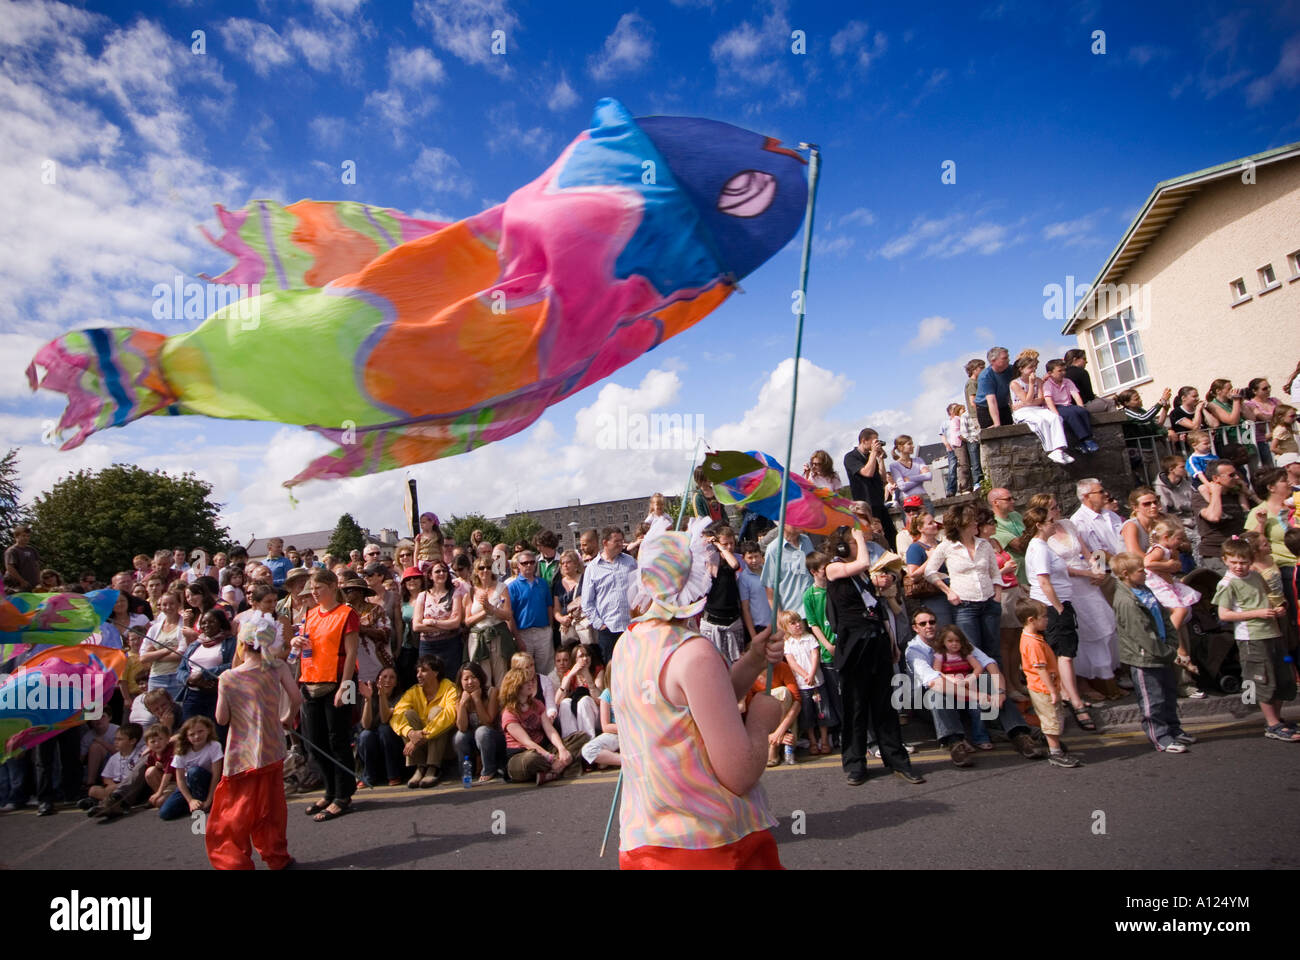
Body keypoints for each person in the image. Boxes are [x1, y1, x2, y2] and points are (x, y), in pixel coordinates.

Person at [610, 515, 787, 868]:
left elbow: (696, 707)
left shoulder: (627, 645)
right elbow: (739, 773)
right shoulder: (693, 653)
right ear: (696, 578)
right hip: (709, 845)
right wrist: (761, 723)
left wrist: (752, 660)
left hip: (644, 842)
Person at [826, 525, 924, 786]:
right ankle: (856, 763)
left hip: (876, 642)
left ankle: (897, 759)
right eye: (854, 543)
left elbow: (878, 612)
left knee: (884, 705)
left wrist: (892, 642)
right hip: (854, 647)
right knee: (855, 708)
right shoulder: (833, 568)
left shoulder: (864, 576)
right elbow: (862, 563)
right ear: (843, 547)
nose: (860, 546)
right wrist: (859, 536)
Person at [206, 615, 301, 869]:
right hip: (272, 749)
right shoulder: (277, 668)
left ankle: (234, 862)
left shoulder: (228, 677)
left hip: (241, 754)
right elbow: (296, 697)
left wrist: (222, 690)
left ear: (242, 643)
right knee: (271, 809)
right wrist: (287, 717)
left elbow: (222, 718)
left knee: (236, 812)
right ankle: (277, 857)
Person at [1027, 493, 1120, 703]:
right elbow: (1055, 569)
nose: (1057, 511)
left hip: (1087, 581)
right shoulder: (1042, 541)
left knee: (1105, 623)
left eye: (1057, 506)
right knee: (1081, 634)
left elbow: (1085, 551)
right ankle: (1085, 683)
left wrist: (1095, 567)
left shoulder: (1067, 524)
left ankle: (1108, 675)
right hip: (1069, 586)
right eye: (1052, 509)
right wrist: (1086, 574)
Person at [1213, 538, 1297, 741]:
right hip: (1251, 637)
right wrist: (1257, 613)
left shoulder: (1256, 576)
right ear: (1225, 560)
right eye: (1234, 562)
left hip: (1273, 633)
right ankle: (1272, 724)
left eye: (1243, 562)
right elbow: (1224, 615)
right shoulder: (1227, 584)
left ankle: (1277, 719)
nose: (1239, 567)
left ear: (1251, 561)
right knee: (1262, 679)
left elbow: (1269, 598)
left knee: (1282, 677)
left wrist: (1280, 608)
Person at [293, 569, 360, 822]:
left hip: (341, 682)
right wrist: (296, 644)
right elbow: (307, 645)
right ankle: (330, 790)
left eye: (318, 587)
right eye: (312, 588)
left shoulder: (347, 613)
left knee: (339, 739)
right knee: (315, 741)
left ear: (332, 586)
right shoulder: (309, 614)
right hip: (311, 681)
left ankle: (344, 794)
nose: (313, 592)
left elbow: (351, 653)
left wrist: (345, 686)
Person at [1023, 506, 1096, 732]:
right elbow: (1043, 581)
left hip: (1057, 603)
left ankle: (1067, 694)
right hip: (1053, 605)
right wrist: (1058, 607)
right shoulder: (1039, 548)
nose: (1055, 524)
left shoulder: (1043, 546)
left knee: (1061, 653)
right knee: (1064, 654)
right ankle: (1074, 701)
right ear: (1039, 525)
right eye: (1050, 521)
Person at [923, 504, 1002, 659]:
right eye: (971, 520)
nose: (975, 523)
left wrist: (997, 596)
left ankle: (997, 684)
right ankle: (980, 684)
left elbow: (995, 573)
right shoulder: (947, 546)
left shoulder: (984, 544)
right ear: (960, 524)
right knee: (973, 652)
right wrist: (948, 591)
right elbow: (929, 572)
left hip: (990, 602)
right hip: (965, 606)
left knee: (993, 651)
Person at [1016, 598, 1083, 767]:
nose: (1047, 620)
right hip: (1043, 687)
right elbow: (1040, 669)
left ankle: (1053, 744)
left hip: (1044, 686)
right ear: (1031, 619)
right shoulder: (1032, 643)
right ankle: (1055, 753)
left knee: (1052, 717)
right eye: (1044, 617)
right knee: (1051, 719)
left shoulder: (1033, 637)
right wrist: (1053, 690)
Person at [500, 666, 587, 784]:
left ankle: (552, 772)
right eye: (526, 682)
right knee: (531, 759)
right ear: (516, 686)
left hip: (544, 748)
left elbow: (549, 730)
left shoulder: (537, 704)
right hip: (521, 754)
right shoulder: (508, 713)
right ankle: (561, 768)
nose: (531, 684)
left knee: (582, 737)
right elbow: (527, 743)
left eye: (531, 681)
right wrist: (551, 759)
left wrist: (561, 749)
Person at [1143, 519, 1203, 686]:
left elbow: (1175, 563)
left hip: (1168, 584)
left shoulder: (1169, 549)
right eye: (1179, 539)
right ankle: (1168, 634)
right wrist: (1167, 564)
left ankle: (1182, 653)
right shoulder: (1158, 549)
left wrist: (1174, 558)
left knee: (1184, 611)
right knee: (1180, 610)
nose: (1181, 543)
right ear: (1166, 537)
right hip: (1158, 585)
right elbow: (1147, 563)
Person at [390, 655, 459, 787]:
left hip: (445, 746)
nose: (419, 675)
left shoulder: (449, 688)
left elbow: (449, 716)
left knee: (437, 712)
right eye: (417, 671)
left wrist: (421, 736)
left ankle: (433, 767)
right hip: (420, 744)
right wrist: (410, 733)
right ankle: (420, 767)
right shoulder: (413, 691)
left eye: (424, 670)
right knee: (407, 714)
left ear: (436, 672)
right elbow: (396, 715)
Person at [928, 625, 991, 750]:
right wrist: (950, 679)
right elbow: (936, 671)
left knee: (977, 711)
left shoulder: (965, 654)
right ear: (943, 642)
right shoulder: (941, 655)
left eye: (957, 641)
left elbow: (978, 667)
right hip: (951, 692)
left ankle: (981, 738)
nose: (954, 644)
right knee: (953, 714)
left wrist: (971, 678)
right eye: (950, 641)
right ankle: (961, 740)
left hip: (969, 690)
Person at [580, 527, 637, 662]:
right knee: (612, 672)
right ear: (605, 543)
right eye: (616, 541)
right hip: (609, 629)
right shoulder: (593, 568)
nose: (620, 544)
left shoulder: (630, 562)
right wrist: (599, 624)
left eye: (621, 541)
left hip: (631, 627)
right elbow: (587, 602)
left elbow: (640, 589)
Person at [803, 552, 842, 743]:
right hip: (828, 651)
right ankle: (840, 728)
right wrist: (826, 644)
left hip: (844, 645)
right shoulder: (809, 595)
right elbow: (813, 624)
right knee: (836, 692)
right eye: (822, 569)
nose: (827, 572)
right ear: (813, 572)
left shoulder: (837, 587)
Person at [1009, 352, 1075, 464]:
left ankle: (1059, 450)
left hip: (1037, 408)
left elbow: (1041, 399)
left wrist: (1026, 402)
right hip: (1022, 412)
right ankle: (1050, 449)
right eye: (1030, 367)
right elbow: (1028, 400)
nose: (1033, 370)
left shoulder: (1039, 381)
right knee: (1040, 421)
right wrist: (1030, 385)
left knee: (1055, 418)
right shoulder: (1015, 383)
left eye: (1034, 367)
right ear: (1021, 369)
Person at [780, 610, 830, 755]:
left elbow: (815, 655)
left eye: (799, 621)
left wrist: (812, 673)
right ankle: (813, 741)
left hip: (817, 682)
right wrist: (806, 676)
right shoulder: (788, 643)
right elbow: (792, 663)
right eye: (793, 623)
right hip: (802, 684)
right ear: (786, 628)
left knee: (823, 712)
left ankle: (825, 740)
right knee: (807, 715)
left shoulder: (810, 638)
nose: (797, 625)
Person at [159, 715, 223, 820]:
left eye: (200, 731)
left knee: (194, 772)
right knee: (165, 813)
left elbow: (216, 775)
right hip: (189, 785)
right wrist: (190, 800)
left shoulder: (214, 746)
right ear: (186, 737)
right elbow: (180, 779)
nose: (197, 736)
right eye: (192, 734)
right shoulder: (181, 751)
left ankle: (206, 803)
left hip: (207, 782)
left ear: (208, 730)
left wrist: (209, 799)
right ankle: (195, 804)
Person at [465, 559, 516, 688]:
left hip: (498, 635)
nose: (485, 571)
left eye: (488, 567)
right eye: (481, 568)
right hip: (478, 638)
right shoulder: (471, 591)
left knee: (501, 676)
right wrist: (485, 612)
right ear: (476, 571)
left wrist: (492, 609)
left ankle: (502, 706)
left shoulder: (501, 587)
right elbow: (467, 621)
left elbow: (508, 615)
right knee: (482, 678)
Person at [700, 524, 746, 665]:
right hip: (713, 619)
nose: (730, 547)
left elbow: (734, 565)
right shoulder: (711, 561)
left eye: (732, 543)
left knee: (736, 663)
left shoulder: (733, 559)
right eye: (726, 544)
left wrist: (722, 547)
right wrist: (712, 545)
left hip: (732, 618)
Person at [453, 661, 505, 784]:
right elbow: (462, 727)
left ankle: (489, 770)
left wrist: (477, 700)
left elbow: (488, 722)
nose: (470, 682)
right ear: (460, 681)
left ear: (480, 678)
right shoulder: (460, 698)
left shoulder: (492, 692)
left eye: (474, 677)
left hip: (493, 738)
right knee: (460, 737)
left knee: (482, 732)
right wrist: (462, 705)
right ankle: (467, 773)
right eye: (466, 679)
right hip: (473, 740)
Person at [844, 428, 897, 548]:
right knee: (873, 537)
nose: (876, 444)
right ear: (864, 440)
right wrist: (873, 453)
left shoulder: (871, 457)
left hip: (878, 502)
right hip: (865, 504)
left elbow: (882, 478)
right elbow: (867, 472)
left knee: (891, 535)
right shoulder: (851, 457)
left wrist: (880, 459)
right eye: (874, 441)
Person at [1196, 460, 1250, 575]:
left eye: (1236, 474)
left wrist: (1244, 494)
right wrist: (1216, 493)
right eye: (1231, 475)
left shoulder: (1236, 494)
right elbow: (1214, 517)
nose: (1236, 477)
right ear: (1216, 478)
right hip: (1217, 553)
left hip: (1240, 552)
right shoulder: (1200, 496)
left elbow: (1248, 518)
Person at [357, 666, 406, 787]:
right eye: (384, 677)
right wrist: (368, 700)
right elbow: (366, 725)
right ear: (378, 679)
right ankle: (369, 775)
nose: (387, 680)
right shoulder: (370, 694)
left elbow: (385, 719)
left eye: (392, 677)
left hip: (391, 741)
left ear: (396, 682)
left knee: (384, 729)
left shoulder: (401, 697)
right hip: (373, 742)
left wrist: (382, 696)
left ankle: (393, 774)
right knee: (365, 735)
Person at [507, 550, 554, 674]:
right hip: (524, 634)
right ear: (518, 565)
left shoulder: (543, 583)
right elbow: (509, 615)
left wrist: (550, 627)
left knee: (546, 670)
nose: (528, 565)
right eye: (524, 563)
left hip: (543, 632)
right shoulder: (512, 587)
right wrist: (517, 638)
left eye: (532, 562)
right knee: (525, 671)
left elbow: (549, 606)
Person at [412, 560, 464, 668]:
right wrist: (445, 626)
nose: (441, 573)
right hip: (428, 646)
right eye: (437, 571)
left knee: (451, 678)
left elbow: (455, 623)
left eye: (444, 571)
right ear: (430, 576)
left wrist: (432, 622)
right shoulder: (423, 596)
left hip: (450, 644)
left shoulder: (455, 593)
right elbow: (416, 626)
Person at [1154, 455, 1203, 565]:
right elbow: (1164, 511)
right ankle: (1200, 567)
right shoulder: (1160, 488)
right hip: (1177, 523)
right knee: (1197, 538)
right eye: (1182, 467)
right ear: (1172, 469)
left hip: (1193, 519)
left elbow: (1194, 501)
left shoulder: (1186, 483)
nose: (1186, 469)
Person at [1043, 358, 1099, 453]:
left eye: (1064, 370)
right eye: (1059, 371)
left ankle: (1085, 441)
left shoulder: (1067, 381)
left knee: (1082, 411)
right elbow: (1048, 400)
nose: (1063, 373)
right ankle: (1085, 439)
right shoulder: (1047, 384)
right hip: (1057, 407)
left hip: (1068, 405)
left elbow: (1076, 395)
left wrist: (1081, 407)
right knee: (1071, 414)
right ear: (1050, 373)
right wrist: (1056, 414)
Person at [82, 723, 144, 809]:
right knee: (93, 790)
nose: (116, 742)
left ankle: (98, 802)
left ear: (132, 741)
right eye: (115, 739)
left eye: (120, 739)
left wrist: (118, 787)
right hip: (115, 786)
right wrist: (113, 786)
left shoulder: (139, 755)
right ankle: (103, 801)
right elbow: (106, 777)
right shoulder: (114, 758)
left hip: (130, 787)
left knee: (109, 791)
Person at [139, 591, 186, 701]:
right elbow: (143, 657)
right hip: (156, 677)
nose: (168, 607)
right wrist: (166, 650)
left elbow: (181, 654)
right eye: (164, 604)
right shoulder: (154, 628)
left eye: (172, 603)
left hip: (177, 676)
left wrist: (154, 655)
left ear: (179, 604)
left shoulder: (184, 624)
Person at [762, 524, 814, 618]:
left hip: (815, 610)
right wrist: (779, 618)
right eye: (795, 519)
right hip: (794, 616)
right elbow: (769, 587)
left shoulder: (807, 541)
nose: (800, 522)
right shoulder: (774, 549)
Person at [579, 685, 621, 770]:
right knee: (588, 750)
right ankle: (628, 760)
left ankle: (609, 759)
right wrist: (627, 728)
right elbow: (606, 727)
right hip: (617, 732)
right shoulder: (608, 693)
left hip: (638, 731)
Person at [1062, 348, 1113, 414]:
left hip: (1067, 408)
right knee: (1111, 402)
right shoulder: (1081, 372)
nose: (1086, 362)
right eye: (1084, 359)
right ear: (1075, 359)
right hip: (1082, 406)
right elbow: (1090, 396)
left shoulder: (1062, 374)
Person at [974, 346, 1015, 429]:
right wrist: (997, 423)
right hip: (986, 409)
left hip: (1003, 405)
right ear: (993, 361)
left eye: (1008, 357)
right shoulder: (985, 376)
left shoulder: (1011, 369)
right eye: (1005, 358)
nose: (1008, 360)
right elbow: (991, 400)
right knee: (993, 434)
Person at [888, 435, 932, 511]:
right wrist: (921, 477)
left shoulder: (918, 460)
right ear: (900, 447)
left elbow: (929, 476)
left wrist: (910, 478)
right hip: (908, 502)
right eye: (909, 444)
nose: (913, 446)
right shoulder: (894, 465)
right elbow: (902, 486)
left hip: (923, 498)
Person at [942, 404, 971, 497]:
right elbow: (943, 436)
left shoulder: (960, 419)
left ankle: (967, 486)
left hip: (959, 444)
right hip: (953, 446)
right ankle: (953, 489)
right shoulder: (945, 423)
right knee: (953, 468)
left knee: (964, 464)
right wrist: (948, 445)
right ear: (950, 411)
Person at [4, 524, 39, 592]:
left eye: (28, 536)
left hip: (32, 583)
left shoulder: (32, 550)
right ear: (16, 536)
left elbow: (36, 565)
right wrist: (21, 581)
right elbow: (10, 567)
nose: (26, 538)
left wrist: (38, 580)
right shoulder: (12, 551)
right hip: (17, 585)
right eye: (23, 536)